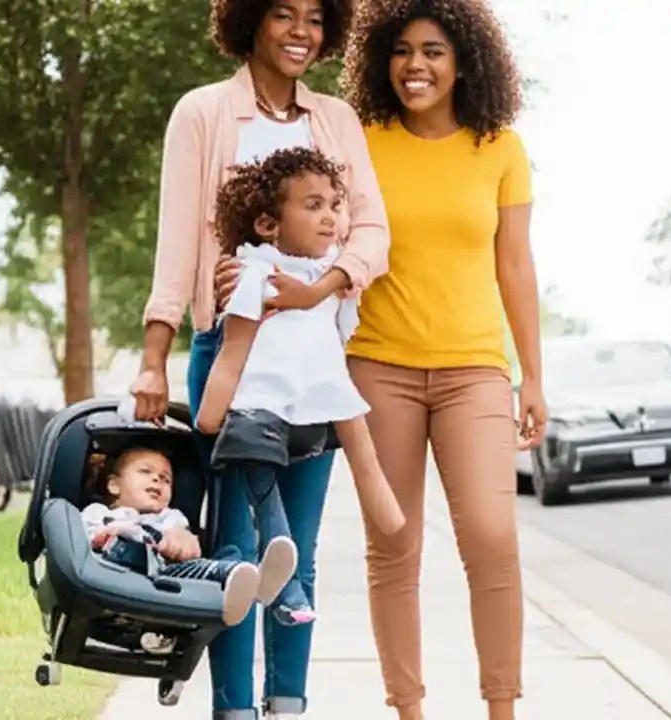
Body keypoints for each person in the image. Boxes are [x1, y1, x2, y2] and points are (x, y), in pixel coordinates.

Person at [130, 0, 389, 716]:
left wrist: (320, 291)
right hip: (231, 353)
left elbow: (372, 231)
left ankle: (288, 704)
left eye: (314, 16)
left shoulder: (336, 120)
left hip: (316, 363)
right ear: (250, 19)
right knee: (237, 548)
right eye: (283, 13)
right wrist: (155, 352)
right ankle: (234, 708)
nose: (301, 30)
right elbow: (177, 239)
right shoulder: (203, 112)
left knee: (297, 551)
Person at [339, 1, 547, 718]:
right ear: (380, 60)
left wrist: (533, 377)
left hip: (474, 372)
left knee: (492, 538)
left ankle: (501, 707)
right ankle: (409, 710)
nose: (415, 66)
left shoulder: (501, 148)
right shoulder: (360, 143)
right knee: (393, 548)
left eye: (432, 50)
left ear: (465, 61)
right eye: (400, 51)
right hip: (377, 367)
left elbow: (515, 267)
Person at [195, 147, 405, 627]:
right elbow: (233, 352)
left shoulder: (330, 279)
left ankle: (387, 520)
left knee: (364, 455)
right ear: (269, 224)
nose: (330, 217)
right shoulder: (256, 276)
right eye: (313, 206)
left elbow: (340, 337)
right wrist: (208, 421)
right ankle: (286, 591)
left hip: (322, 400)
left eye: (334, 204)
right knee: (262, 485)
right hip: (262, 407)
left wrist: (325, 288)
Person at [81, 445, 298, 630]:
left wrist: (180, 543)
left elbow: (190, 548)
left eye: (166, 479)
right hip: (117, 574)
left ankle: (255, 583)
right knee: (125, 545)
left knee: (213, 566)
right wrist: (125, 533)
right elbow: (89, 538)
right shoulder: (99, 512)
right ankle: (248, 584)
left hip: (168, 574)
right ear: (114, 485)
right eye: (145, 471)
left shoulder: (170, 518)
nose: (157, 479)